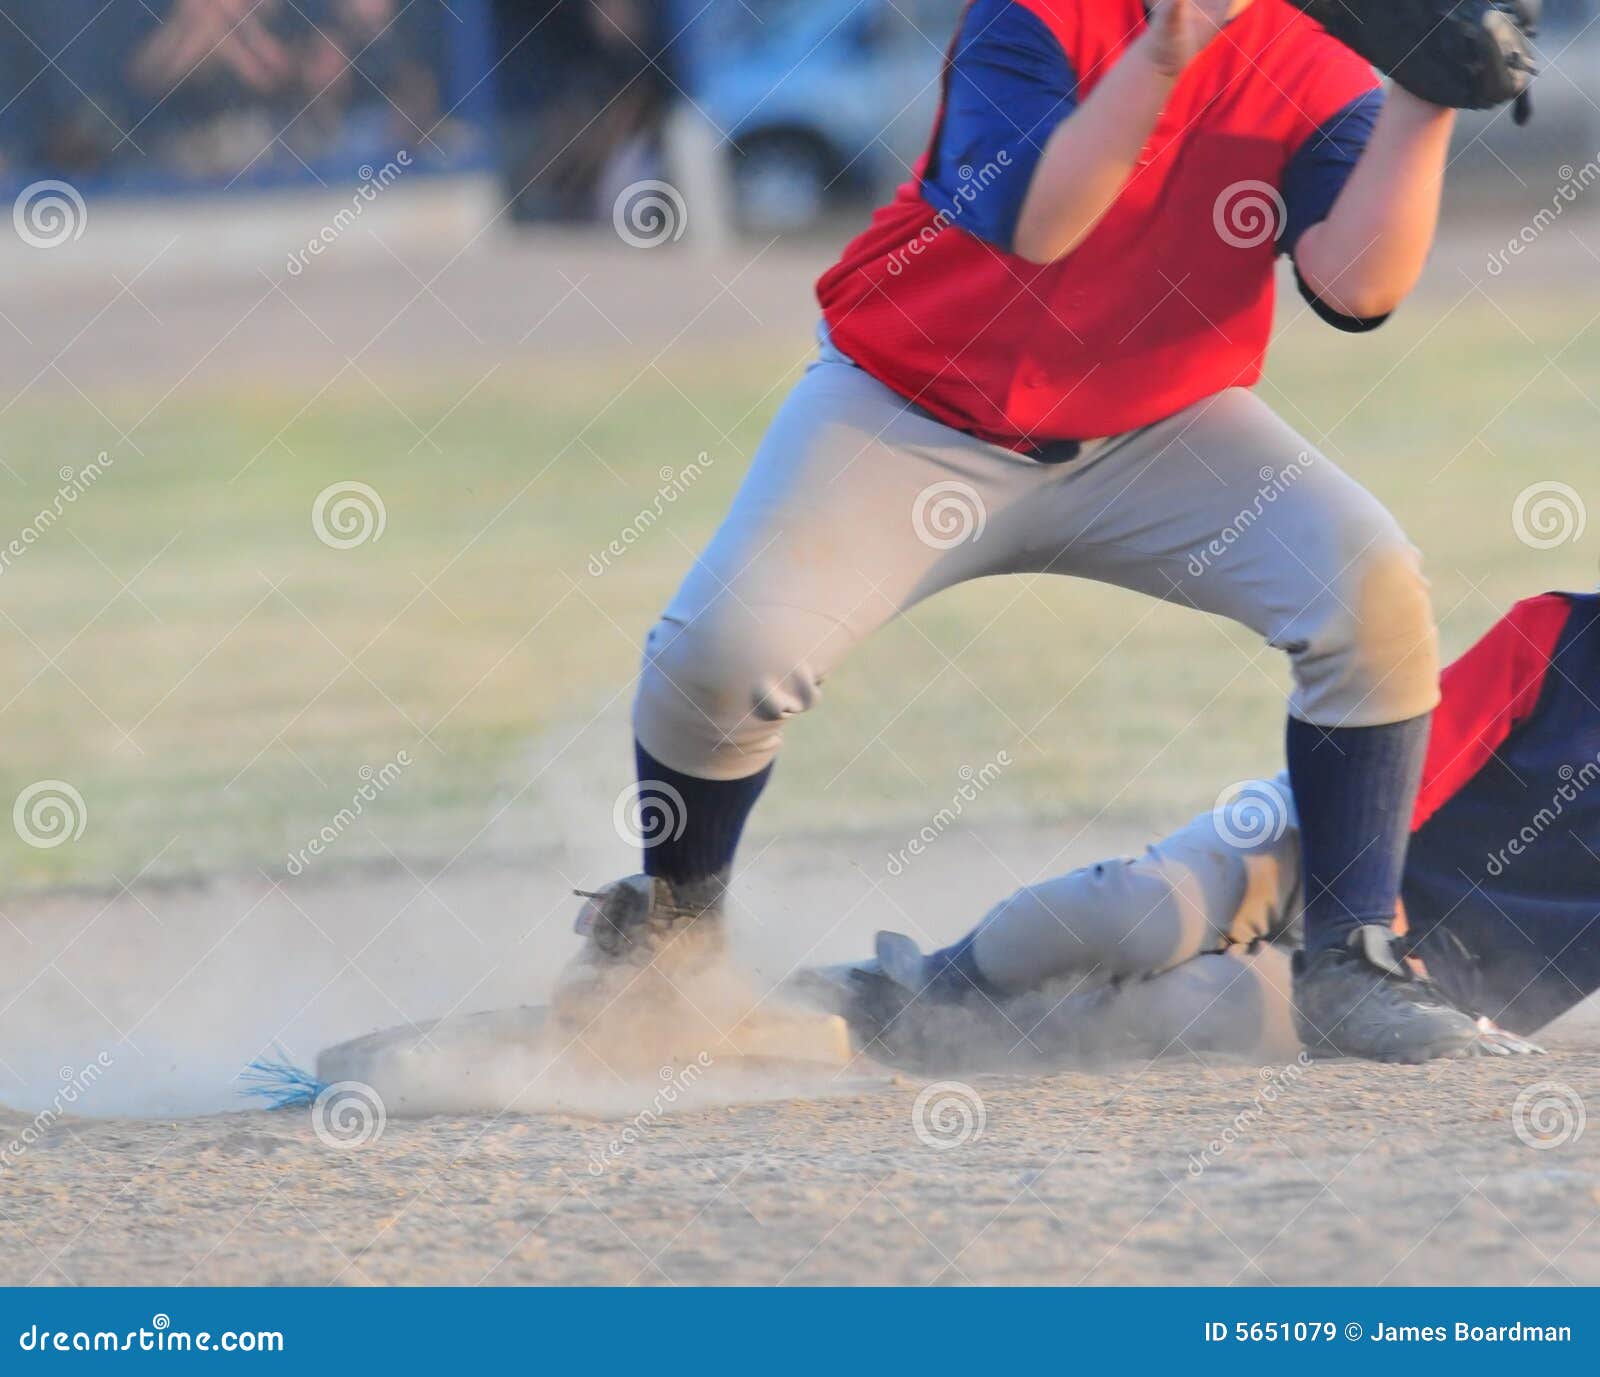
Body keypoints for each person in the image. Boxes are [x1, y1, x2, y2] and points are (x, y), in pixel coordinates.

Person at [562, 0, 1513, 1060]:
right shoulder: (1038, 15)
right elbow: (1042, 223)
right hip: (914, 408)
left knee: (1368, 584)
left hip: (1157, 427)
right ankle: (672, 945)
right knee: (724, 653)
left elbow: (1357, 284)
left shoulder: (1314, 57)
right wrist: (1166, 53)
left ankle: (1352, 960)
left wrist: (1426, 98)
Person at [805, 591, 1600, 1067]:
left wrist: (1414, 982)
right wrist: (1371, 933)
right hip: (1319, 841)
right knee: (1137, 910)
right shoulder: (1557, 632)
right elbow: (1405, 778)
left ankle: (942, 1042)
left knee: (1181, 1011)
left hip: (1437, 986)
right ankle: (913, 985)